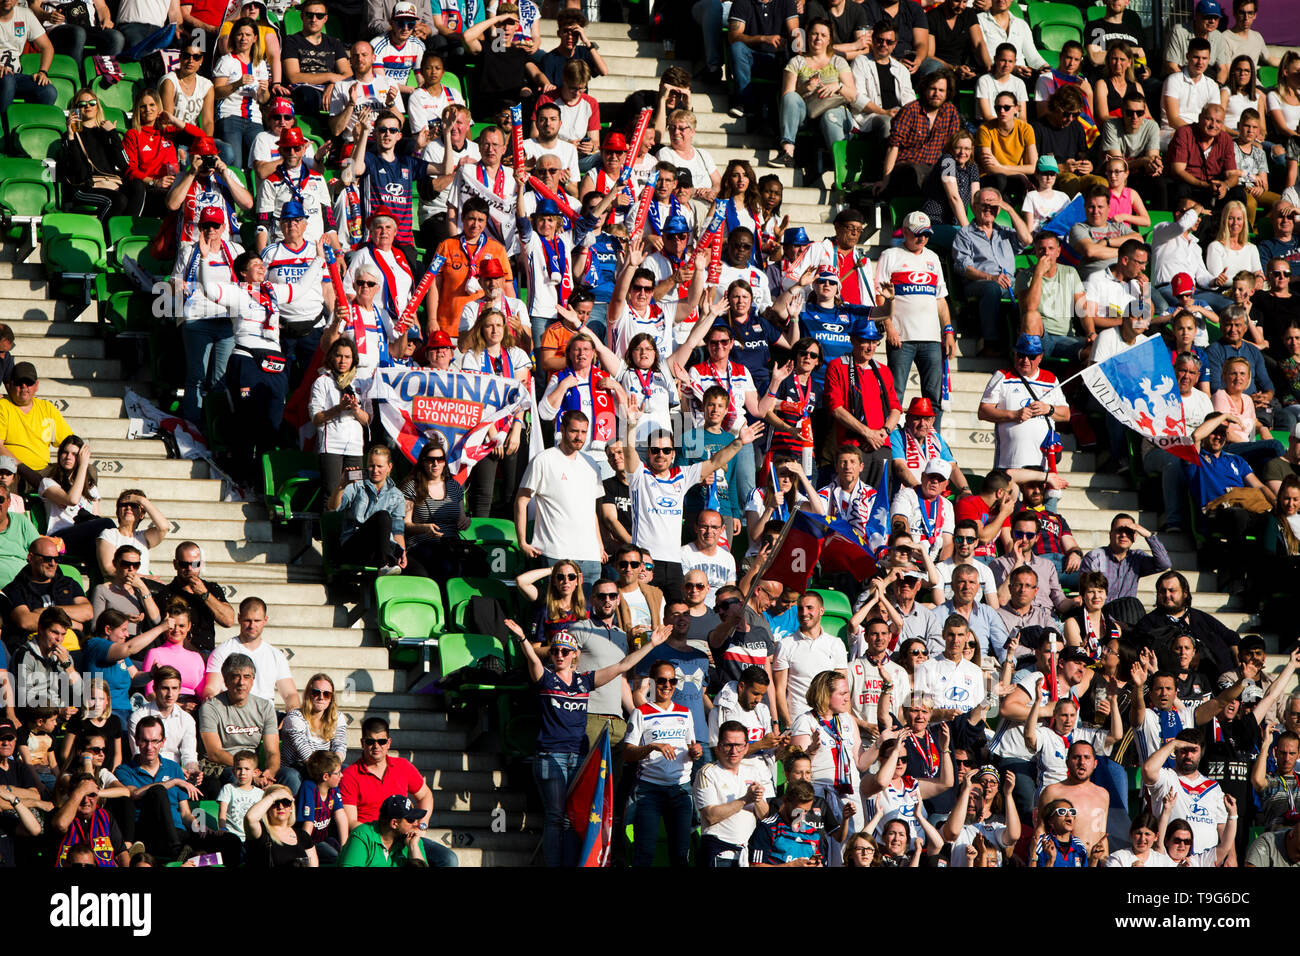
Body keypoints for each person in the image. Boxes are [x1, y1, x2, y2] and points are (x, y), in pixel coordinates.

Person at [509, 618, 668, 867]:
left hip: (580, 756)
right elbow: (532, 660)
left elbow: (621, 666)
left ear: (574, 655)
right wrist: (522, 638)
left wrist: (651, 645)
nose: (559, 655)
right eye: (555, 651)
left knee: (572, 818)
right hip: (552, 756)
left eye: (564, 651)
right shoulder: (546, 679)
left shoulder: (584, 680)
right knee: (555, 816)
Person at [337, 715, 456, 866]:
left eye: (381, 741)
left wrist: (421, 826)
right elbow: (351, 821)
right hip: (371, 838)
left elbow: (425, 795)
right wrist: (380, 838)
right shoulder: (350, 775)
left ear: (389, 743)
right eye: (370, 741)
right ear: (362, 743)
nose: (376, 746)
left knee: (448, 859)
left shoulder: (403, 766)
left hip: (404, 833)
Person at [875, 211, 954, 425]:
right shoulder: (890, 255)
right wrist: (889, 327)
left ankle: (933, 443)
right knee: (896, 395)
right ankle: (893, 442)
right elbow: (879, 296)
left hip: (931, 338)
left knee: (933, 398)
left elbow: (940, 299)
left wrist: (948, 331)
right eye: (918, 234)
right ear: (906, 231)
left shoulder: (933, 257)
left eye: (927, 234)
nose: (922, 239)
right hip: (902, 338)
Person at [623, 658, 703, 867]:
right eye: (661, 681)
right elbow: (628, 754)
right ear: (652, 682)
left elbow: (692, 747)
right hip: (650, 791)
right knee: (645, 853)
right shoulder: (640, 713)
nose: (667, 685)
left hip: (680, 789)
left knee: (680, 854)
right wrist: (652, 746)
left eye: (672, 681)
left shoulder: (685, 713)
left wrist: (696, 752)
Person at [823, 317, 900, 488]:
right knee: (850, 500)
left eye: (874, 342)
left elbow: (895, 408)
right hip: (852, 448)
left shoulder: (883, 370)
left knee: (880, 503)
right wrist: (867, 433)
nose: (871, 347)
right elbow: (836, 408)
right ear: (853, 340)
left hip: (881, 444)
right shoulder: (837, 366)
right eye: (865, 341)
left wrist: (883, 432)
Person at [978, 334, 1070, 476]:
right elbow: (983, 411)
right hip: (1008, 464)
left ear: (1040, 357)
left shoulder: (1051, 379)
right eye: (1021, 355)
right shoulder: (1002, 376)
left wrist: (1048, 409)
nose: (1026, 360)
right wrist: (1014, 414)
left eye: (1031, 356)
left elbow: (1066, 414)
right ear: (1015, 354)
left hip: (1043, 465)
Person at [865, 69, 961, 202]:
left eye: (941, 90)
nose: (936, 94)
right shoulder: (910, 110)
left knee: (956, 172)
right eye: (932, 89)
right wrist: (885, 180)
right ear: (925, 89)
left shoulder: (950, 112)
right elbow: (893, 147)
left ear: (947, 93)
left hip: (930, 167)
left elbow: (951, 148)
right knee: (915, 172)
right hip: (904, 167)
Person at [772, 18, 855, 166]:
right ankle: (787, 152)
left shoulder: (838, 61)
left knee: (830, 116)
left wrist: (837, 86)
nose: (818, 39)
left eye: (823, 35)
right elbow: (787, 96)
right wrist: (804, 88)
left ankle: (841, 166)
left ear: (829, 39)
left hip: (834, 112)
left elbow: (853, 95)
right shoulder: (796, 61)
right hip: (807, 113)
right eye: (814, 34)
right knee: (790, 97)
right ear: (807, 36)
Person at [694, 719, 773, 867]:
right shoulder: (707, 773)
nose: (733, 751)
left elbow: (764, 816)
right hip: (720, 854)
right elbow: (710, 816)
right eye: (728, 745)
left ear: (746, 747)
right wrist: (745, 799)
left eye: (738, 745)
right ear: (718, 746)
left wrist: (758, 800)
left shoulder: (753, 771)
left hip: (747, 855)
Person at [59, 87, 144, 221]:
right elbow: (77, 171)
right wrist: (71, 135)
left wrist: (113, 134)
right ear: (76, 110)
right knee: (118, 200)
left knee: (138, 186)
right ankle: (105, 237)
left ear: (97, 105)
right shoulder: (71, 136)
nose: (88, 106)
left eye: (92, 103)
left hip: (111, 183)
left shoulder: (106, 132)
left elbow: (124, 164)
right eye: (82, 104)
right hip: (85, 186)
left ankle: (124, 232)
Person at [202, 598, 299, 712]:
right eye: (248, 620)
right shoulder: (222, 651)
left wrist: (293, 714)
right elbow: (211, 688)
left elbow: (289, 694)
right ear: (239, 618)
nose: (252, 625)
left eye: (257, 621)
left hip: (266, 716)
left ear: (265, 620)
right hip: (232, 712)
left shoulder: (276, 655)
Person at [327, 444, 407, 575]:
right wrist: (342, 485)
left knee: (418, 570)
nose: (375, 470)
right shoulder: (356, 485)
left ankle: (387, 562)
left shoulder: (397, 495)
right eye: (371, 465)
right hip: (354, 547)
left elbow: (398, 531)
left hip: (380, 549)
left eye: (380, 466)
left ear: (389, 467)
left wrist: (402, 550)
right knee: (383, 516)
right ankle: (384, 565)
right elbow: (333, 506)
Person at [772, 593, 849, 728]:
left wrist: (845, 723)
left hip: (830, 721)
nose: (804, 613)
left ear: (821, 611)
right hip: (798, 721)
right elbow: (779, 690)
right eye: (800, 608)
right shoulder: (785, 645)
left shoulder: (836, 644)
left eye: (809, 608)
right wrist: (788, 724)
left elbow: (842, 688)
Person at [36, 436, 114, 563]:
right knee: (107, 524)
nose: (68, 457)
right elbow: (72, 499)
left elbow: (95, 517)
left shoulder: (90, 487)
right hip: (60, 539)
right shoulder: (48, 483)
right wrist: (84, 465)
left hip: (84, 538)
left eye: (74, 454)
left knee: (105, 545)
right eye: (65, 452)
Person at [4, 540, 93, 645]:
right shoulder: (15, 589)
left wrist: (48, 611)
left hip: (73, 648)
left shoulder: (68, 583)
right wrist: (70, 623)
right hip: (35, 649)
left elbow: (87, 612)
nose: (53, 563)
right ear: (31, 557)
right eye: (47, 559)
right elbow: (26, 621)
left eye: (56, 559)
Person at [158, 541, 235, 655]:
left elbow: (228, 620)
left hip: (206, 653)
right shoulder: (166, 593)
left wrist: (205, 594)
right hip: (176, 652)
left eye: (194, 564)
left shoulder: (211, 588)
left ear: (200, 564)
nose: (189, 568)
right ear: (175, 564)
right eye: (184, 565)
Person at [281, 0, 350, 116]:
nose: (314, 19)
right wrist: (330, 76)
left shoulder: (334, 43)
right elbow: (294, 77)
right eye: (309, 15)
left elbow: (348, 74)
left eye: (319, 16)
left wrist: (333, 84)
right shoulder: (292, 41)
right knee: (308, 96)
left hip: (331, 88)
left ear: (325, 19)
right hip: (305, 89)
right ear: (302, 16)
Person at [849, 20, 916, 138]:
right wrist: (885, 112)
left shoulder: (901, 70)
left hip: (897, 115)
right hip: (870, 117)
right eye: (880, 40)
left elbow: (909, 101)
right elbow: (858, 99)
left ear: (894, 45)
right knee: (887, 122)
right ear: (873, 40)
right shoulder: (860, 62)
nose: (884, 44)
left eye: (889, 42)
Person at [748, 779, 831, 865]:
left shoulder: (813, 833)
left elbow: (820, 862)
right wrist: (791, 865)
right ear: (785, 800)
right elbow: (755, 865)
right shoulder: (768, 828)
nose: (802, 815)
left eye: (806, 811)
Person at [95, 489, 168, 582]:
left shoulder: (143, 537)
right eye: (124, 505)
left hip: (144, 587)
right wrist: (143, 578)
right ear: (117, 512)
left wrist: (141, 500)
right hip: (119, 587)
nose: (128, 508)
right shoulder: (109, 534)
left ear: (142, 514)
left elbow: (164, 527)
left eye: (134, 505)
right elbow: (109, 570)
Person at [338, 793, 427, 867]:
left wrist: (413, 847)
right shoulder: (362, 836)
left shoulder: (413, 840)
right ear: (394, 823)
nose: (416, 824)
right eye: (411, 820)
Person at [243, 784, 317, 867]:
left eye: (285, 802)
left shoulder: (303, 835)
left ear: (291, 807)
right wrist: (273, 796)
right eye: (275, 803)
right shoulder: (261, 832)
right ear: (267, 807)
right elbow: (250, 818)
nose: (280, 807)